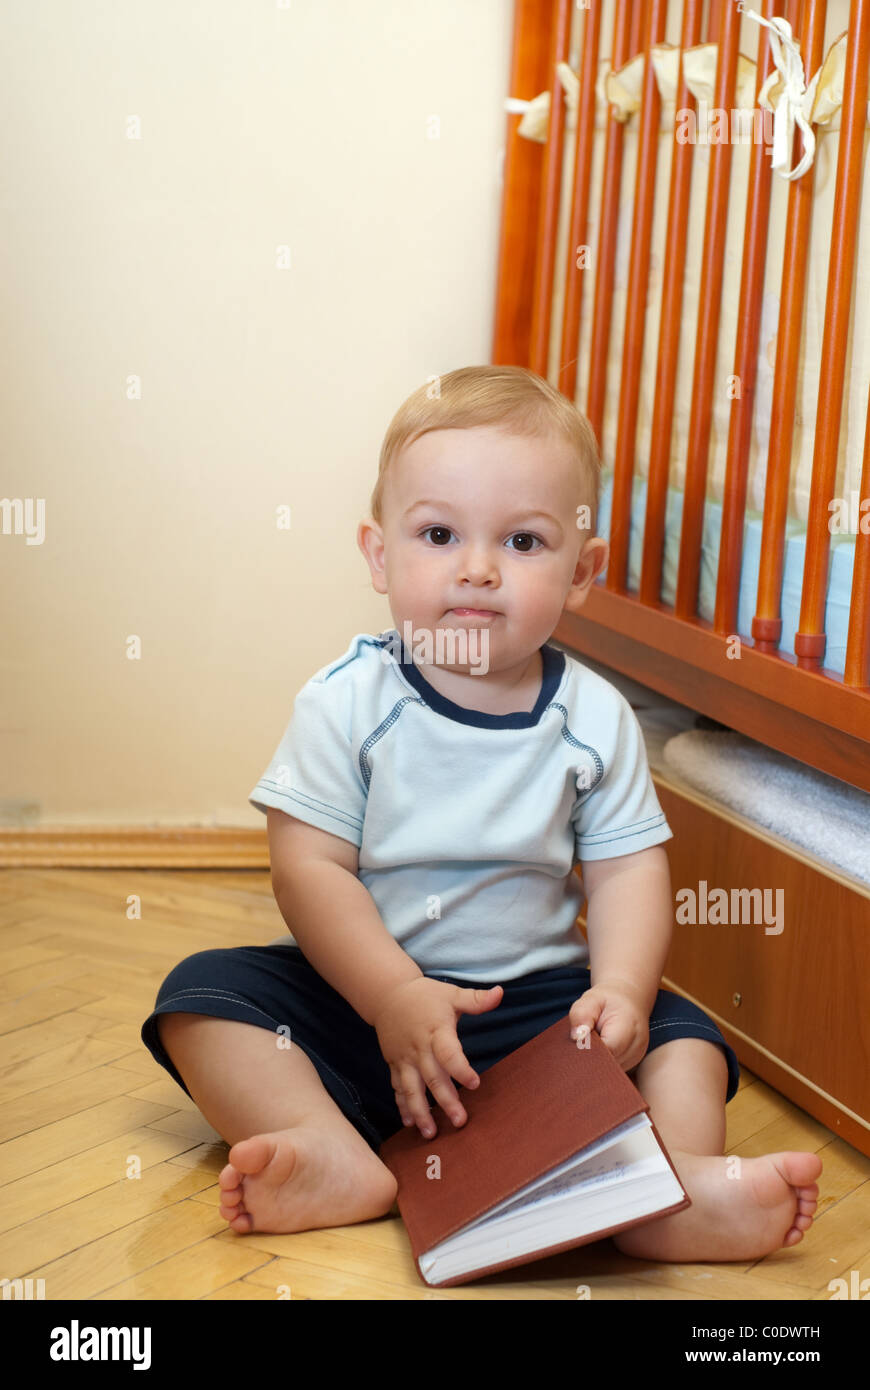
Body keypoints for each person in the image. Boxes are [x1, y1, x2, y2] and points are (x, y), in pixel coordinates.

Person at [141, 364, 821, 1262]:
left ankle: (668, 1183)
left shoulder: (594, 719)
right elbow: (308, 870)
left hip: (534, 1011)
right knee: (203, 997)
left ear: (582, 572)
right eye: (437, 533)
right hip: (362, 1000)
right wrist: (392, 996)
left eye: (524, 543)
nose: (477, 567)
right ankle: (330, 1149)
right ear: (380, 555)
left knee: (684, 1036)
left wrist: (617, 991)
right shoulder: (346, 703)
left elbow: (626, 872)